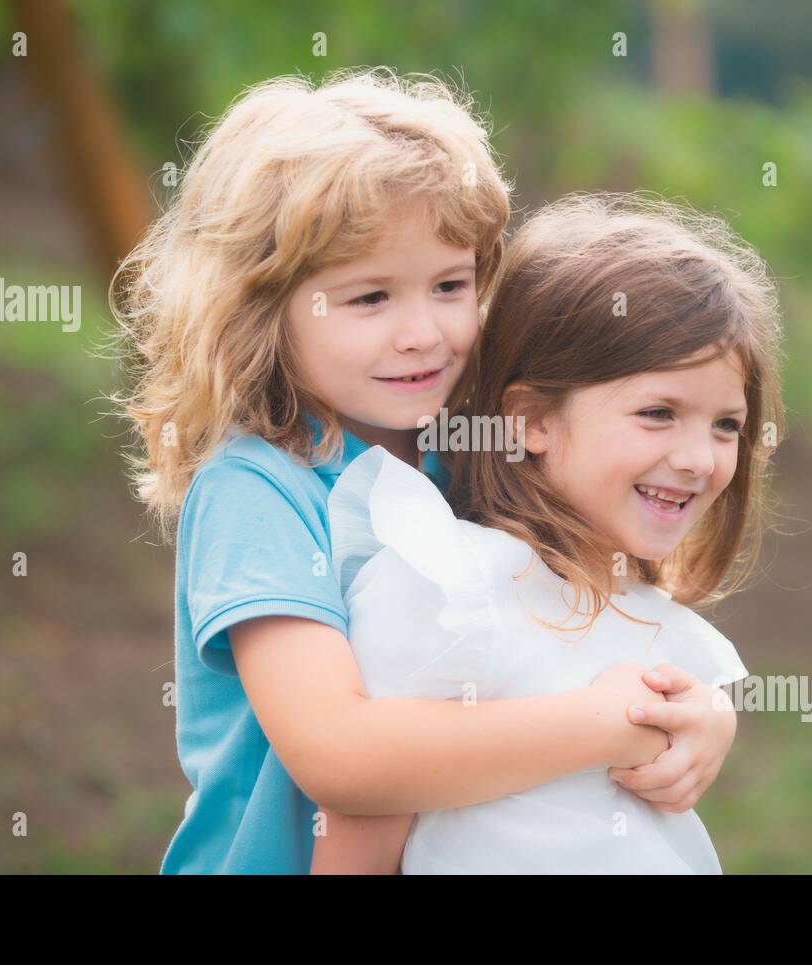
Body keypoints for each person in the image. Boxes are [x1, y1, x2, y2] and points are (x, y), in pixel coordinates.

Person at [312, 192, 786, 873]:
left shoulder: (651, 619)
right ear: (531, 419)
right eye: (657, 412)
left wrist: (713, 717)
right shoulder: (453, 587)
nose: (698, 458)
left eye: (726, 424)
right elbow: (362, 824)